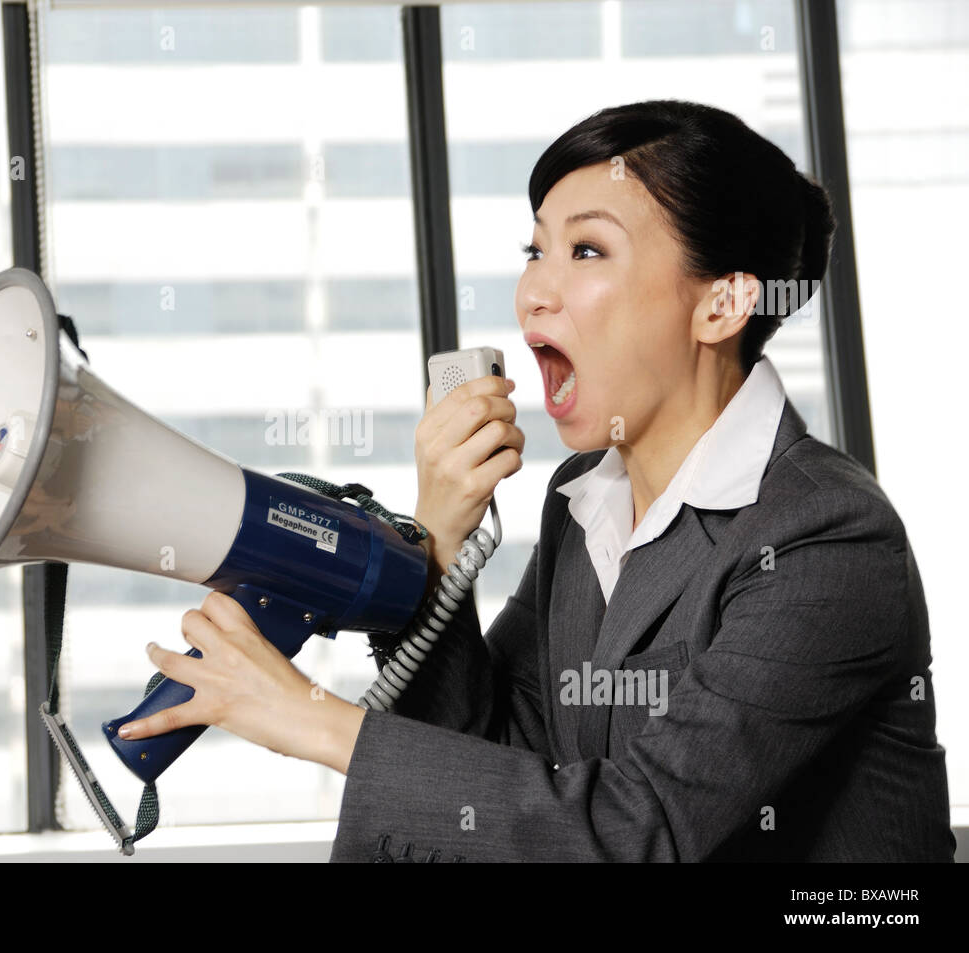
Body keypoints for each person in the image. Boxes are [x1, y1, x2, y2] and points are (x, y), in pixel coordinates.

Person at [117, 99, 955, 862]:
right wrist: (436, 543)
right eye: (535, 249)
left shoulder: (827, 534)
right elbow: (496, 757)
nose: (532, 293)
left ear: (722, 305)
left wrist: (310, 719)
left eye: (585, 250)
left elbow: (644, 830)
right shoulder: (586, 499)